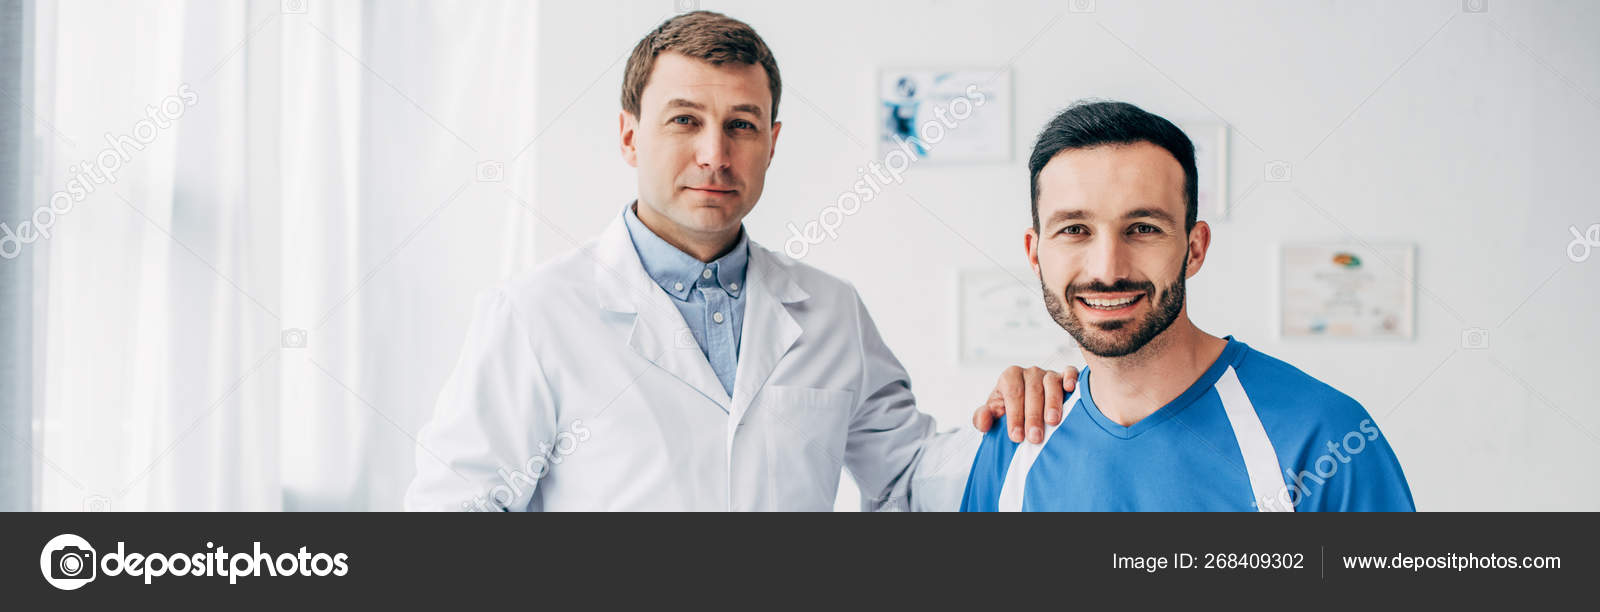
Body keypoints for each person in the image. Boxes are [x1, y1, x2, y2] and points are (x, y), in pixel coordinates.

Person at [405, 11, 1072, 511]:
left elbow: (907, 475)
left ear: (773, 143)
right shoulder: (535, 314)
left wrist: (1025, 423)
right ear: (630, 136)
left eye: (742, 124)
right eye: (684, 120)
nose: (715, 154)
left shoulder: (831, 309)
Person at [962, 101, 1414, 511]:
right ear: (1035, 254)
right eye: (1075, 229)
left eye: (1142, 228)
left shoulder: (1324, 438)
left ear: (1194, 249)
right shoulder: (1016, 439)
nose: (1107, 269)